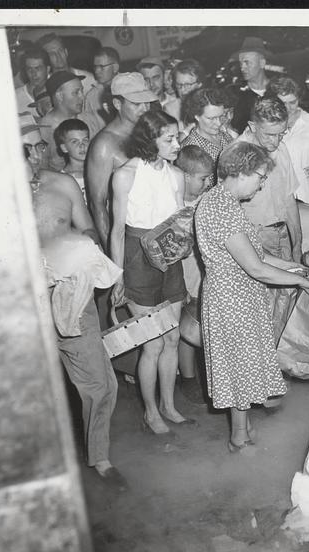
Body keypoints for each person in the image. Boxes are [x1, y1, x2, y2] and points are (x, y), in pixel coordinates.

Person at [195, 141, 309, 452]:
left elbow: (256, 254)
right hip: (230, 300)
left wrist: (292, 266)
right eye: (261, 177)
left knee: (246, 365)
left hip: (241, 296)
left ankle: (245, 427)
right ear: (241, 172)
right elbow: (256, 268)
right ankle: (239, 439)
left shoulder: (227, 202)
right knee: (239, 368)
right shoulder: (220, 208)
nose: (263, 184)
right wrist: (300, 283)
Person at [24, 153, 125, 489]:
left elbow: (87, 227)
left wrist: (84, 250)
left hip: (72, 296)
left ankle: (99, 456)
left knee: (98, 382)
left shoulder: (62, 184)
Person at [110, 110, 193, 436]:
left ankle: (169, 406)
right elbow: (117, 231)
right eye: (169, 139)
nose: (177, 144)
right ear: (150, 141)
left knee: (172, 337)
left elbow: (179, 222)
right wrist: (117, 276)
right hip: (136, 258)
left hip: (168, 257)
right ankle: (150, 411)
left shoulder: (176, 175)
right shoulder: (125, 175)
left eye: (177, 137)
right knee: (153, 343)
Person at [235, 97, 302, 344]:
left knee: (282, 304)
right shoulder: (236, 154)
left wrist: (297, 245)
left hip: (281, 235)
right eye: (269, 135)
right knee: (256, 313)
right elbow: (230, 212)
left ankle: (270, 366)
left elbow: (289, 199)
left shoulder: (280, 149)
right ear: (252, 126)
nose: (275, 141)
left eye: (281, 134)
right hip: (254, 240)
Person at [85, 72, 158, 247]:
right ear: (117, 104)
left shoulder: (150, 132)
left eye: (147, 102)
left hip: (157, 230)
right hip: (129, 237)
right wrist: (114, 254)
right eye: (136, 104)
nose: (144, 109)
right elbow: (98, 204)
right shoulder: (104, 144)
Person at [174, 145, 215, 403]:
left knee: (203, 323)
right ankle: (187, 377)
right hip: (182, 273)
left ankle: (208, 377)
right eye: (202, 178)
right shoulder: (172, 200)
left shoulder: (206, 200)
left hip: (202, 272)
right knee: (185, 327)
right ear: (185, 175)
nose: (207, 183)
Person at [268, 75, 309, 210]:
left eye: (292, 102)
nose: (287, 108)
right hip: (283, 200)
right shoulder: (267, 126)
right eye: (282, 103)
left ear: (299, 99)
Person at [38, 70, 104, 172]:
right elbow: (41, 168)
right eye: (76, 93)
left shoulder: (90, 119)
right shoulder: (43, 129)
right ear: (60, 96)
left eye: (82, 91)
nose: (82, 97)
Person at [180, 87, 234, 185]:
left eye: (221, 116)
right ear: (196, 116)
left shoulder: (224, 135)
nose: (218, 123)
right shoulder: (190, 147)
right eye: (211, 118)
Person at [230, 37, 273, 134]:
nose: (242, 68)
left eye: (247, 62)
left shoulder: (277, 90)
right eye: (241, 63)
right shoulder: (234, 94)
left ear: (262, 63)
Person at [54, 118, 90, 204]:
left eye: (85, 140)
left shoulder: (99, 170)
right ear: (64, 148)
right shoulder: (61, 180)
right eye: (75, 141)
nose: (82, 146)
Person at [163, 58, 205, 130]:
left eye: (188, 85)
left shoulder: (211, 105)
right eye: (179, 85)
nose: (183, 90)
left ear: (199, 84)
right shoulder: (170, 109)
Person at [15, 46, 51, 120]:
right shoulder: (15, 97)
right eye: (29, 69)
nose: (33, 74)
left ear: (48, 69)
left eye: (38, 68)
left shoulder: (58, 92)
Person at [87, 46, 120, 123]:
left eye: (101, 67)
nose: (97, 71)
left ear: (115, 68)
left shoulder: (130, 87)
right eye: (95, 67)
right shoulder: (91, 96)